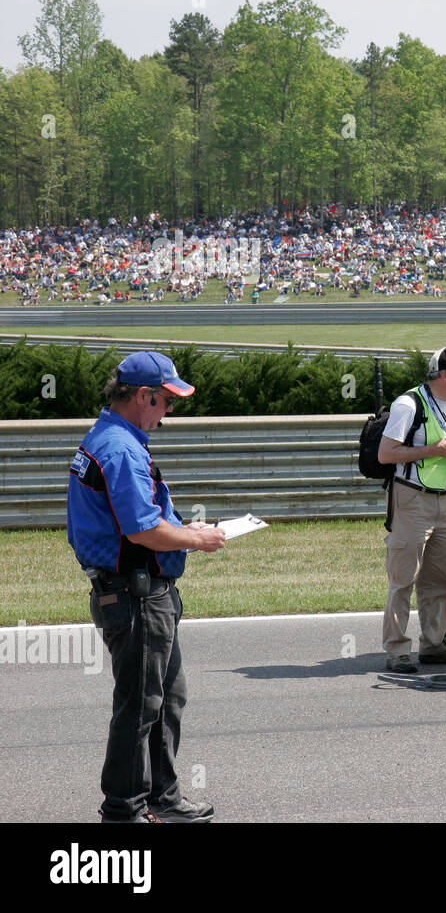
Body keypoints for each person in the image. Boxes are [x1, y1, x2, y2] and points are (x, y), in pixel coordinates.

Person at [67, 351, 227, 822]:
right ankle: (123, 809)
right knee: (139, 707)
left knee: (166, 697)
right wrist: (199, 537)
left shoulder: (115, 438)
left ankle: (161, 795)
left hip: (141, 590)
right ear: (143, 396)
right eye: (166, 402)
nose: (169, 413)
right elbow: (142, 529)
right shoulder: (119, 448)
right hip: (135, 595)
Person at [377, 346, 446, 673]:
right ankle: (396, 650)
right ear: (445, 375)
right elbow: (385, 454)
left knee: (441, 580)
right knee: (403, 579)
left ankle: (435, 645)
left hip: (444, 499)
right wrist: (430, 451)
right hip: (411, 499)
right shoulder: (408, 404)